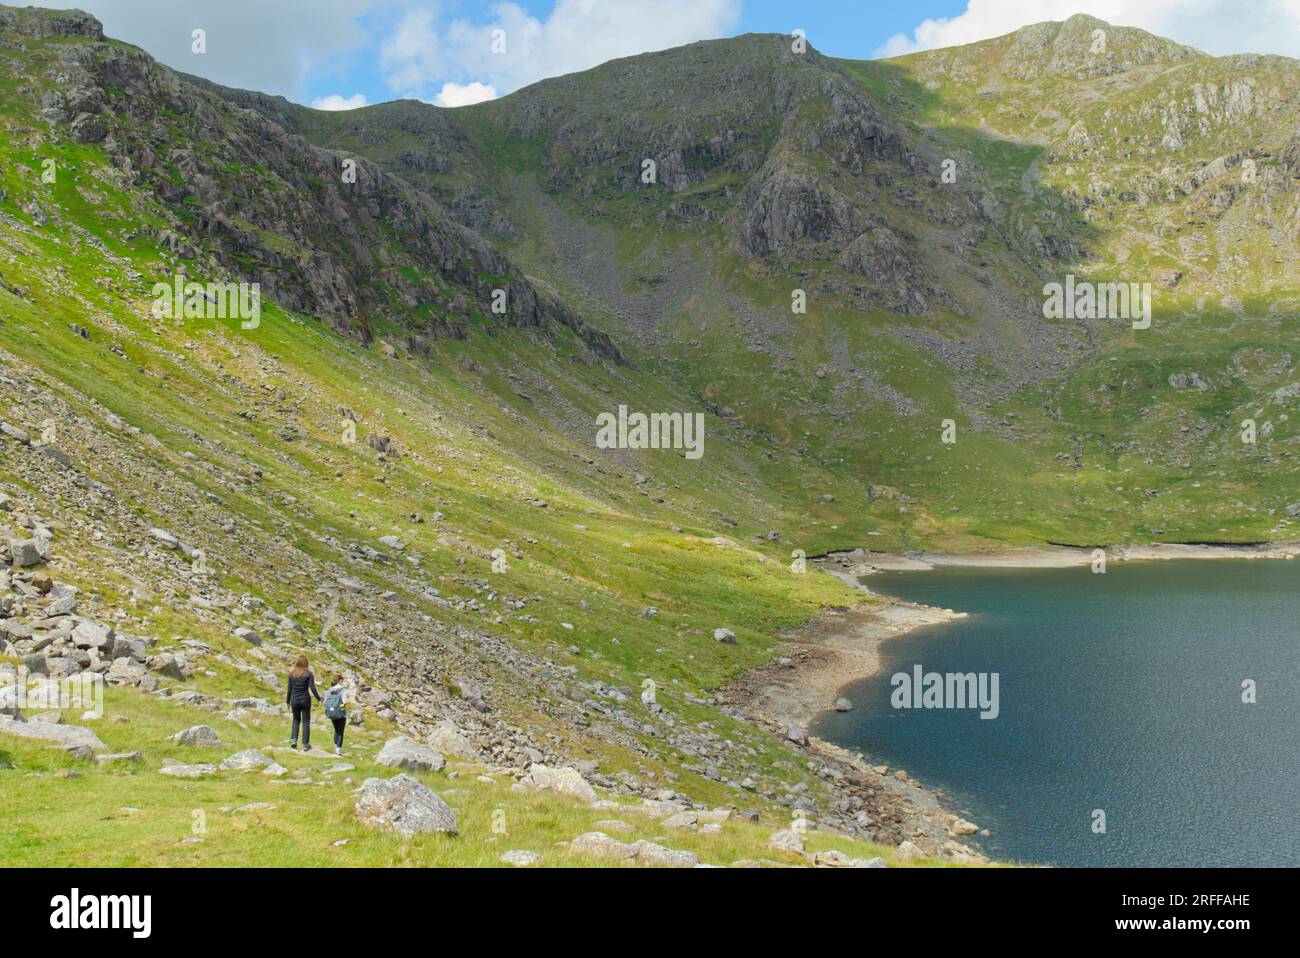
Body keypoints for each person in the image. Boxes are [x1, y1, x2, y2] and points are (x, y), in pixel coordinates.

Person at [286, 655, 321, 750]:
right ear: (306, 663)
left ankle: (294, 740)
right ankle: (305, 744)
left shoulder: (291, 674)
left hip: (294, 700)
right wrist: (319, 699)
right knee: (306, 722)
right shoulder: (308, 674)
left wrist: (287, 702)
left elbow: (289, 689)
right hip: (305, 700)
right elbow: (312, 688)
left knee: (296, 720)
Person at [323, 674, 348, 755]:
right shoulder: (343, 690)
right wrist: (340, 708)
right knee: (340, 731)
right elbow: (344, 702)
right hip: (341, 713)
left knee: (336, 731)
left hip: (331, 712)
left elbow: (325, 703)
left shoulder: (329, 690)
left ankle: (335, 748)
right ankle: (338, 750)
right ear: (340, 680)